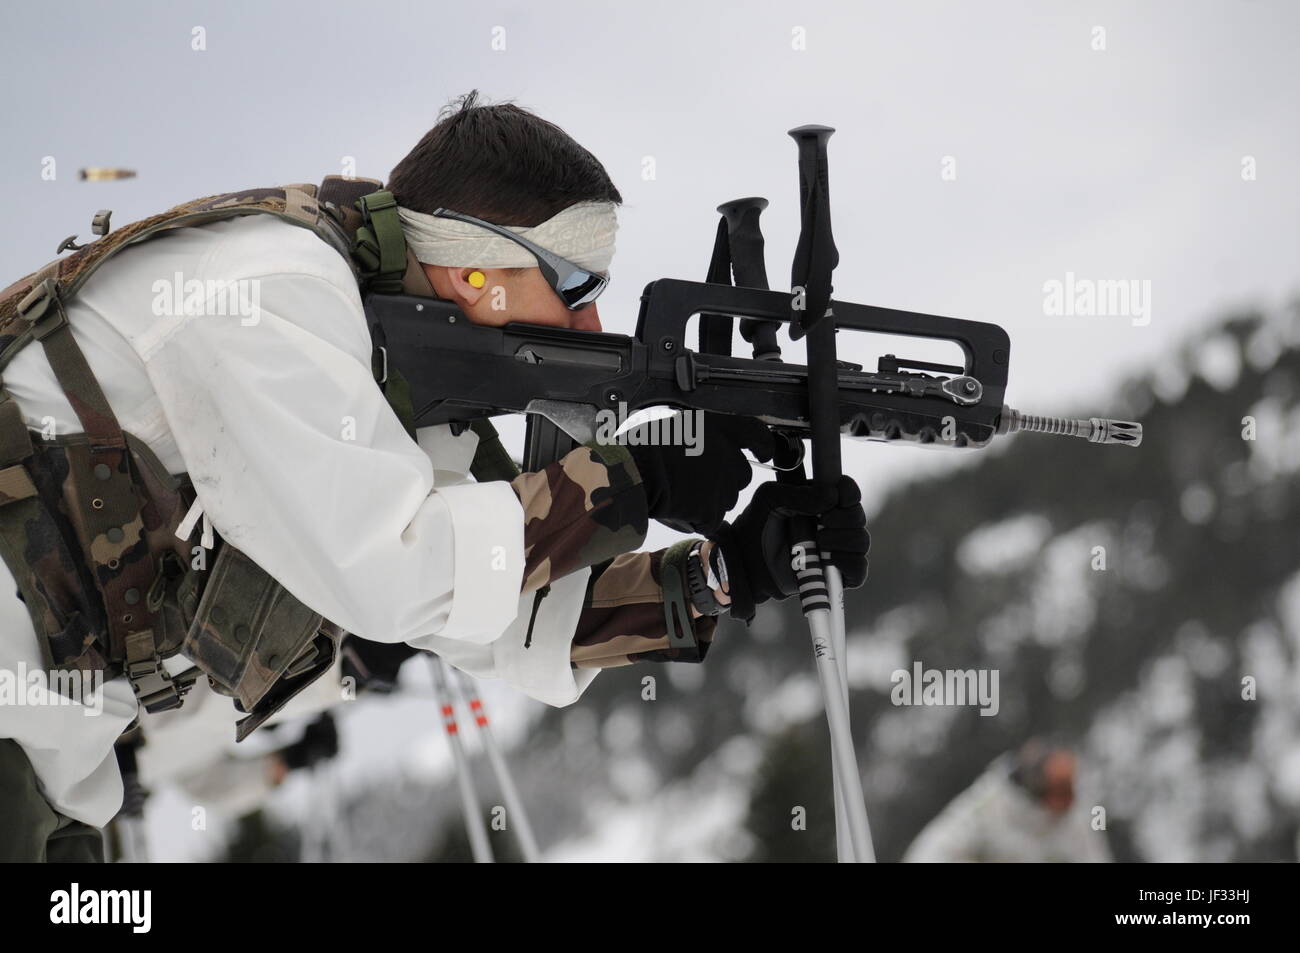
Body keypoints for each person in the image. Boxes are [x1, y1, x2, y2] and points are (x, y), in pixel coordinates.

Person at [0, 90, 869, 861]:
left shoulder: (391, 371)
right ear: (470, 267)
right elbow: (397, 572)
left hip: (54, 763)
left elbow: (509, 615)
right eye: (571, 280)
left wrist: (725, 572)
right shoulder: (271, 292)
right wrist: (636, 479)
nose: (594, 316)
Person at [902, 740, 1112, 863]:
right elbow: (934, 851)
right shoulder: (989, 803)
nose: (1062, 807)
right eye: (1058, 793)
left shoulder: (1074, 820)